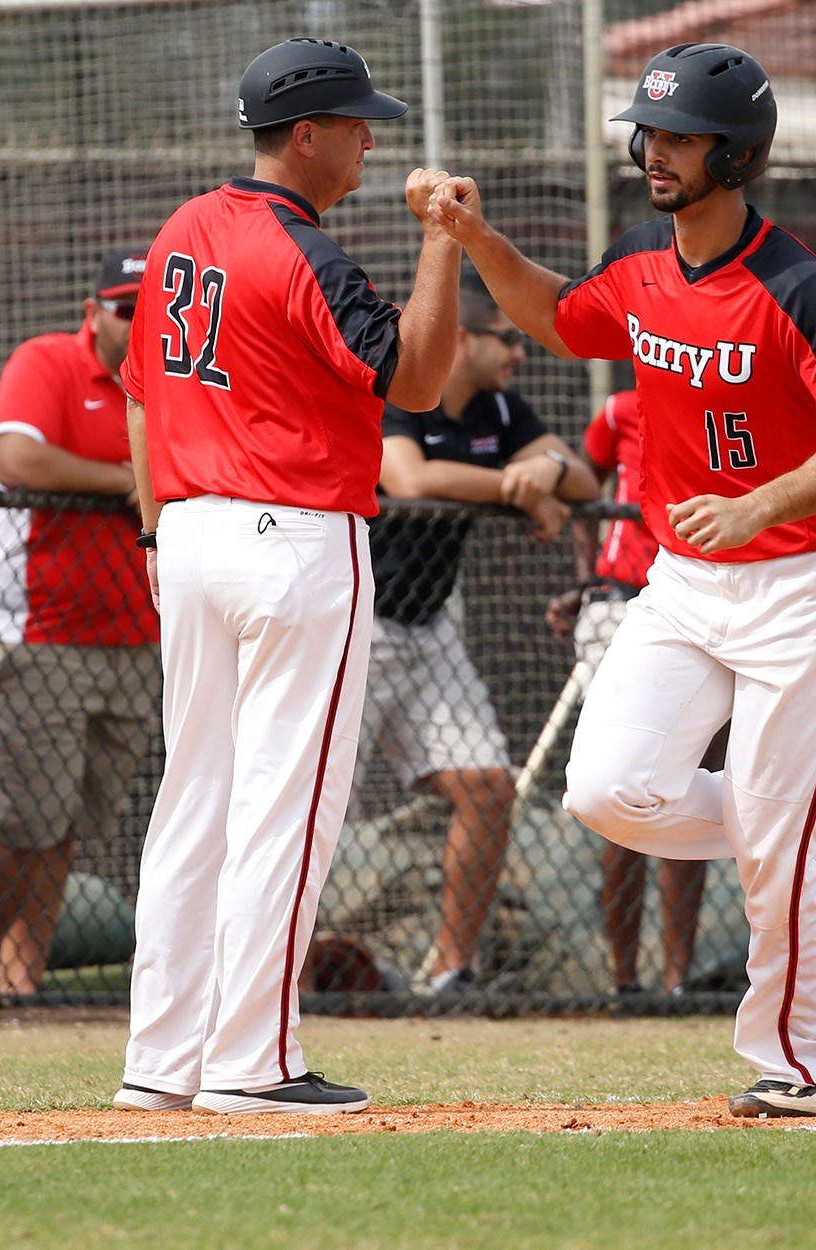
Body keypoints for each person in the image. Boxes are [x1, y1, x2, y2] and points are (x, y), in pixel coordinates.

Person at [430, 42, 816, 1118]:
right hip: (687, 580)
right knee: (605, 788)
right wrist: (476, 240)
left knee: (773, 843)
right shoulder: (642, 258)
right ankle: (783, 820)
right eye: (650, 132)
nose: (653, 151)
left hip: (802, 581)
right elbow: (562, 315)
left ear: (735, 153)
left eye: (680, 136)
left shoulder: (798, 285)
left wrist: (759, 502)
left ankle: (809, 1063)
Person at [113, 37, 462, 1117]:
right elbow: (421, 376)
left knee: (194, 803)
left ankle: (159, 1062)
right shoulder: (304, 252)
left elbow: (138, 390)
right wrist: (443, 241)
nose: (369, 139)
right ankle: (253, 1062)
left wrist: (154, 535)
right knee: (286, 806)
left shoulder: (184, 228)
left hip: (190, 536)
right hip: (294, 538)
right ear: (302, 135)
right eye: (355, 123)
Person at [365, 274, 600, 995]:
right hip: (351, 624)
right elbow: (406, 478)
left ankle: (450, 969)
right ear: (461, 338)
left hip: (428, 628)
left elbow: (584, 482)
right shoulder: (401, 391)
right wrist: (510, 486)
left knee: (490, 787)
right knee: (308, 811)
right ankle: (274, 975)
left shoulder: (499, 406)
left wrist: (546, 470)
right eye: (505, 336)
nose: (517, 352)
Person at [0, 247, 160, 1003]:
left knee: (70, 824)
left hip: (137, 640)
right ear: (94, 314)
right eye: (124, 310)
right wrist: (126, 482)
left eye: (149, 310)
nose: (138, 324)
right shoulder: (48, 362)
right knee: (31, 817)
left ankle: (22, 980)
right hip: (34, 637)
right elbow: (18, 459)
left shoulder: (172, 378)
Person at [543, 390, 711, 998]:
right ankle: (624, 982)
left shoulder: (719, 394)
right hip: (619, 605)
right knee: (616, 788)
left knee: (686, 787)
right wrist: (588, 578)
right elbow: (585, 487)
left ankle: (677, 982)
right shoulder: (619, 409)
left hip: (701, 602)